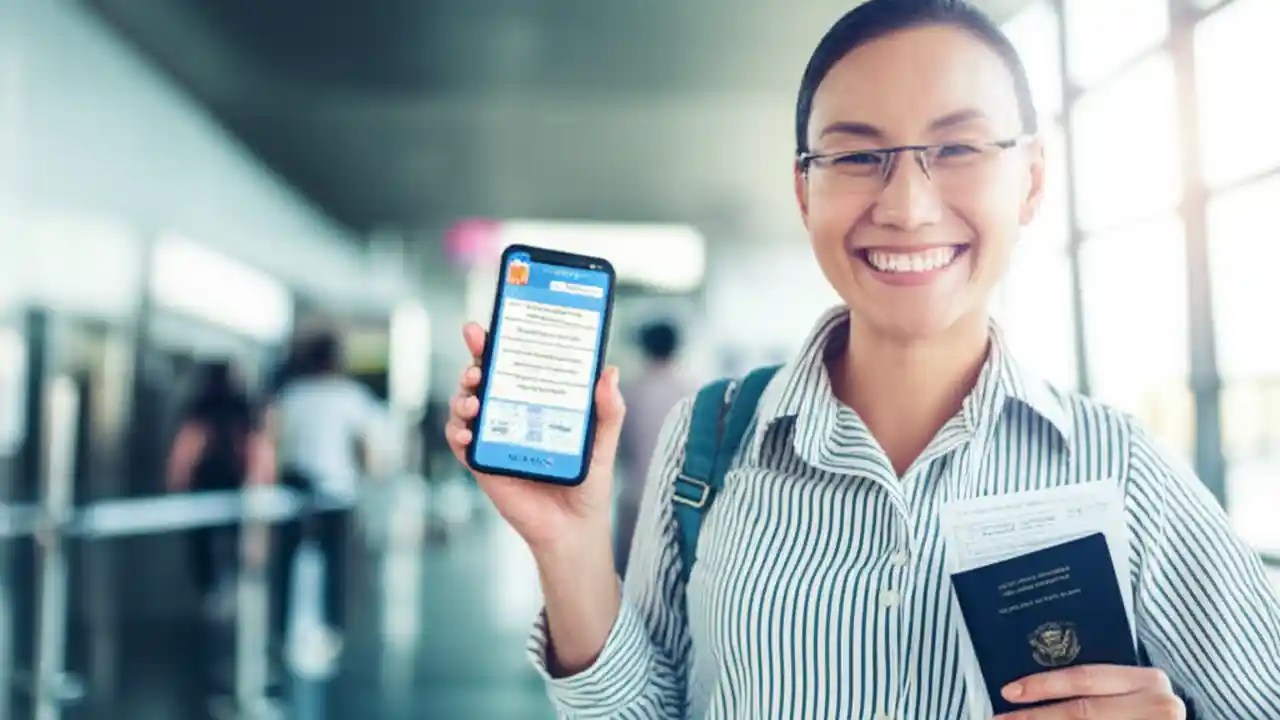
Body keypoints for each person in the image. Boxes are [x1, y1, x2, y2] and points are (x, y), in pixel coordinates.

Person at [444, 1, 1280, 717]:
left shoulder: (1119, 471)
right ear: (805, 189)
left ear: (1029, 181)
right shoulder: (712, 440)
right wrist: (571, 547)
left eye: (957, 148)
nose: (909, 206)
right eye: (855, 155)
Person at [269, 332, 383, 659]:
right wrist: (369, 479)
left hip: (293, 491)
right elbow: (365, 448)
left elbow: (274, 440)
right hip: (337, 492)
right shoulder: (351, 397)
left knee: (286, 564)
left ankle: (282, 629)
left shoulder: (292, 394)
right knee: (335, 565)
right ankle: (332, 631)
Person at [166, 360, 273, 618]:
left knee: (203, 540)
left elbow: (188, 447)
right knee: (233, 536)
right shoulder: (243, 408)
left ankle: (212, 588)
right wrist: (261, 478)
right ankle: (227, 584)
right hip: (234, 482)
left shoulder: (202, 408)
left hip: (206, 482)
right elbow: (256, 447)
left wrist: (177, 479)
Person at [616, 320, 694, 577]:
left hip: (635, 496)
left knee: (628, 577)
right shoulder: (692, 392)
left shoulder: (628, 392)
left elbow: (618, 449)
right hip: (679, 500)